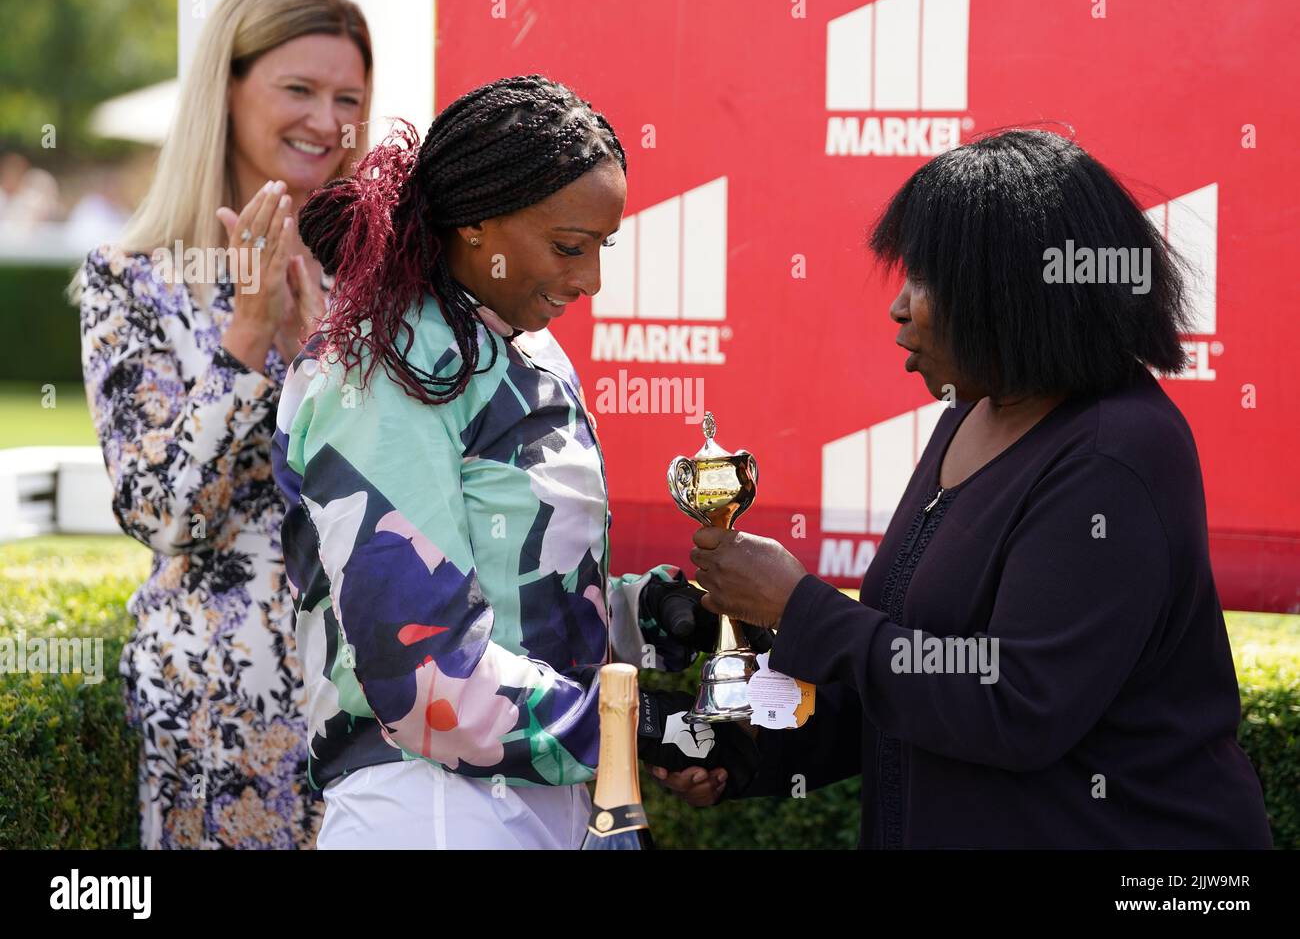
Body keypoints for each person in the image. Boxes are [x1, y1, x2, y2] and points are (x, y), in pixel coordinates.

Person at [673, 128, 1273, 848]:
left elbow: (1013, 704)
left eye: (927, 278)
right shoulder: (971, 412)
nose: (900, 306)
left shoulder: (1115, 454)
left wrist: (803, 609)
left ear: (1013, 292)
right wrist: (750, 755)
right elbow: (915, 673)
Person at [273, 74, 755, 849]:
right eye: (569, 247)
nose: (590, 280)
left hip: (556, 802)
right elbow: (422, 672)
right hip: (429, 806)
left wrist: (661, 617)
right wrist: (645, 727)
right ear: (475, 225)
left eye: (603, 246)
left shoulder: (515, 337)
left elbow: (518, 598)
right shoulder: (386, 364)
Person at [75, 0, 371, 848]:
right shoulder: (131, 278)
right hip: (216, 708)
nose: (326, 120)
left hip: (369, 696)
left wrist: (319, 342)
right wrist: (247, 333)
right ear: (228, 88)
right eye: (299, 90)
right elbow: (161, 514)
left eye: (347, 97)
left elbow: (396, 491)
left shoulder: (376, 279)